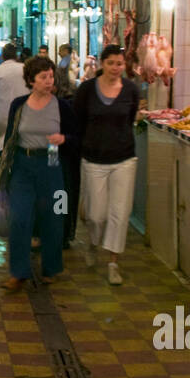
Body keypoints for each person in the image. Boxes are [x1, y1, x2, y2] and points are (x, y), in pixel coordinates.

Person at [0, 57, 78, 290]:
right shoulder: (19, 104)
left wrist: (64, 139)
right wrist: (4, 164)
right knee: (20, 218)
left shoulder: (61, 106)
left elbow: (76, 136)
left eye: (51, 76)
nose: (48, 81)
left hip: (52, 162)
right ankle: (18, 272)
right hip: (24, 162)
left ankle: (51, 267)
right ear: (31, 80)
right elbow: (10, 137)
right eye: (43, 77)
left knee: (54, 216)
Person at [72, 45, 140, 285]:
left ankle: (113, 262)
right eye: (110, 63)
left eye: (119, 64)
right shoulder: (87, 90)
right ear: (102, 64)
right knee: (96, 214)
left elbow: (130, 119)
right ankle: (92, 243)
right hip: (93, 158)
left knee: (119, 213)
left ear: (124, 66)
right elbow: (77, 121)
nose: (115, 68)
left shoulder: (131, 89)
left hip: (124, 158)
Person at [0, 43, 27, 151]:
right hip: (24, 115)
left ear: (2, 55)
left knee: (4, 150)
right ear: (16, 55)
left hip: (2, 117)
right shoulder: (26, 69)